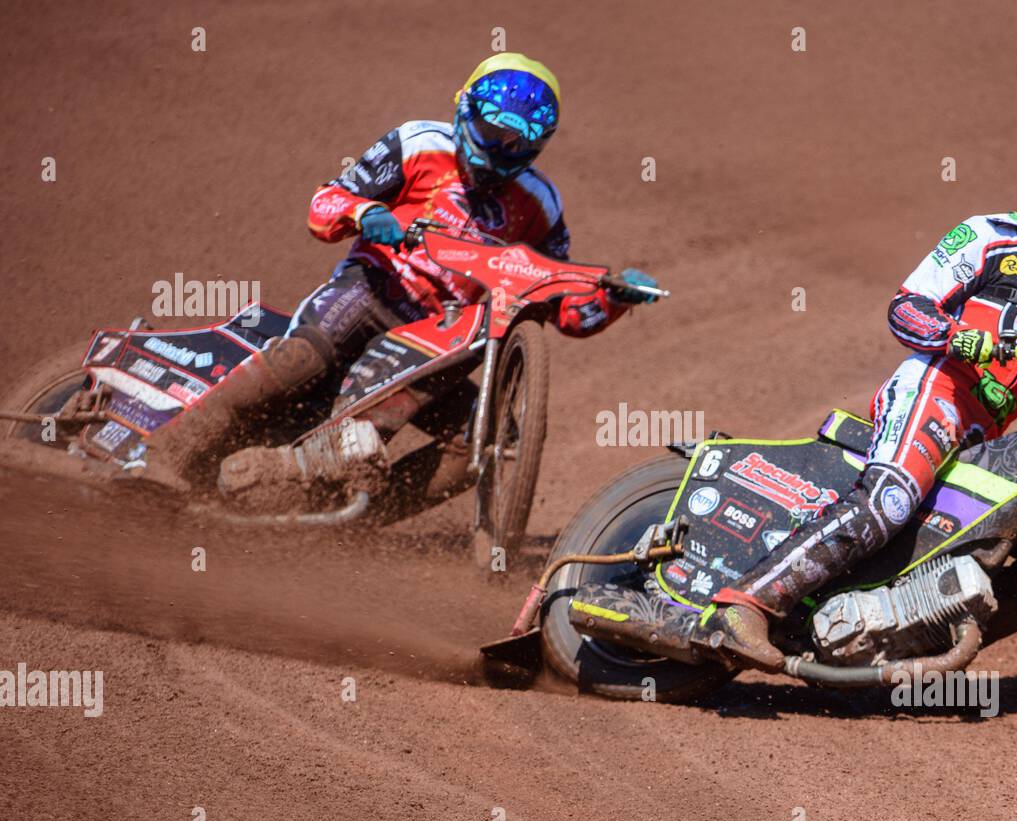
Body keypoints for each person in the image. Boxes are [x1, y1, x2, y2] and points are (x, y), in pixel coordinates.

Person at [580, 136, 1017, 671]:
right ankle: (742, 605)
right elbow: (906, 308)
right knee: (890, 500)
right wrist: (961, 338)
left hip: (985, 431)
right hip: (936, 391)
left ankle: (908, 631)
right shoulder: (986, 238)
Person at [128, 52, 657, 492]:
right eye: (490, 134)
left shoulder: (540, 204)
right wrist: (365, 213)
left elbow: (562, 303)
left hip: (442, 340)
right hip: (372, 291)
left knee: (493, 438)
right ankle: (164, 453)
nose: (498, 155)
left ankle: (357, 526)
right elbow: (325, 204)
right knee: (303, 357)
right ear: (464, 108)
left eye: (516, 147)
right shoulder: (417, 144)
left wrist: (615, 297)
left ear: (538, 146)